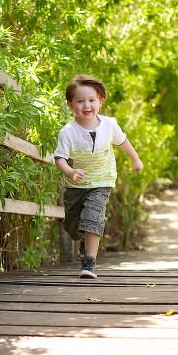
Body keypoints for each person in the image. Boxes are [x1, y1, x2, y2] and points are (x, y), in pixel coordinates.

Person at [54, 75, 144, 278]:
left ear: (101, 101)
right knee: (73, 224)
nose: (86, 105)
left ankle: (89, 262)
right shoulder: (67, 132)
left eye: (91, 100)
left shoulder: (109, 125)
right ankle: (85, 244)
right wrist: (69, 171)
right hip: (76, 185)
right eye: (80, 101)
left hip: (102, 181)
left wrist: (135, 160)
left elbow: (124, 143)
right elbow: (59, 158)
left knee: (93, 216)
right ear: (70, 104)